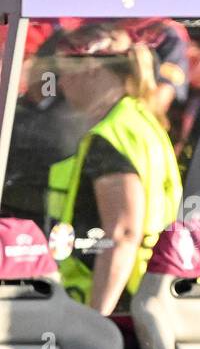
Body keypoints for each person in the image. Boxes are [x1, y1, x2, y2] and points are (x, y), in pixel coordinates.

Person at [44, 25, 183, 315]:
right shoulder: (141, 120)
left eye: (66, 70)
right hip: (148, 294)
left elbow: (122, 234)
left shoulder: (112, 135)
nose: (61, 83)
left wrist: (97, 320)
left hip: (115, 304)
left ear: (93, 68)